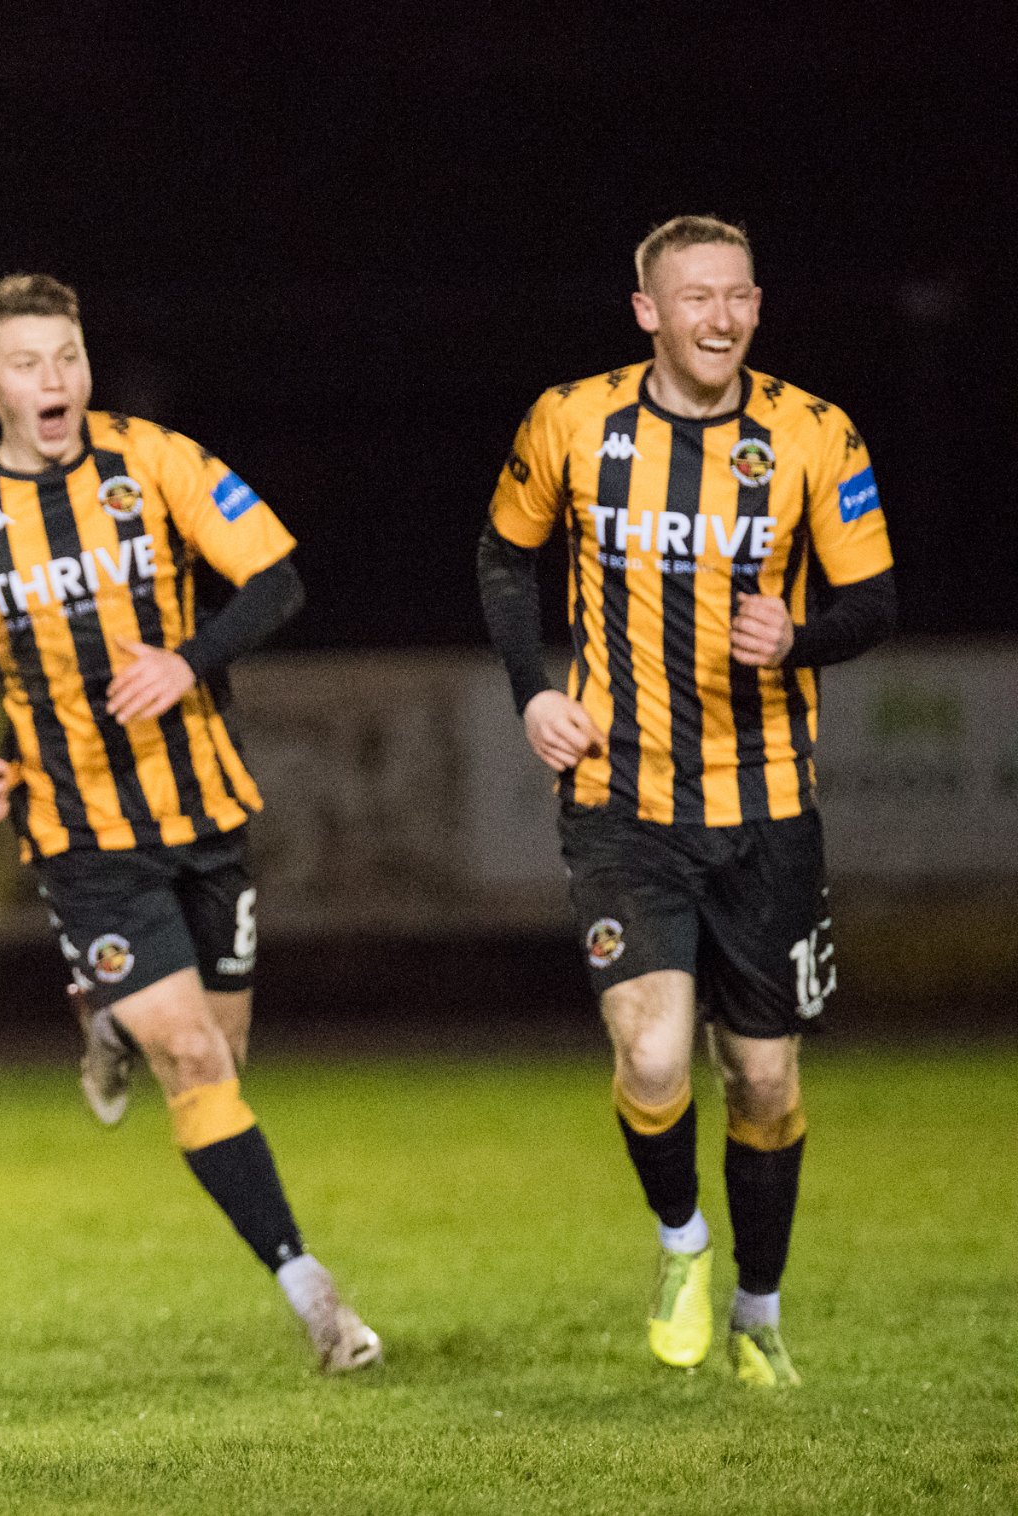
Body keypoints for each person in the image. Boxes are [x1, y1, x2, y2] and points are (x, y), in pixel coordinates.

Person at [0, 273, 381, 1373]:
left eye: (66, 357)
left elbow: (277, 579)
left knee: (223, 1059)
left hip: (204, 809)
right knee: (194, 1059)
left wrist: (186, 660)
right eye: (26, 364)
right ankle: (315, 1300)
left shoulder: (154, 461)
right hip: (80, 833)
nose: (51, 380)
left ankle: (104, 1021)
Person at [478, 217, 897, 1388]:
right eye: (691, 298)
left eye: (734, 297)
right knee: (653, 1055)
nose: (716, 318)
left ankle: (755, 1316)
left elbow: (873, 600)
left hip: (766, 810)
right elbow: (503, 558)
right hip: (621, 800)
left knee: (761, 1078)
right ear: (645, 313)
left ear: (755, 305)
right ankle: (679, 1248)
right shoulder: (570, 421)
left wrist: (799, 634)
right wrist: (531, 693)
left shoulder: (813, 433)